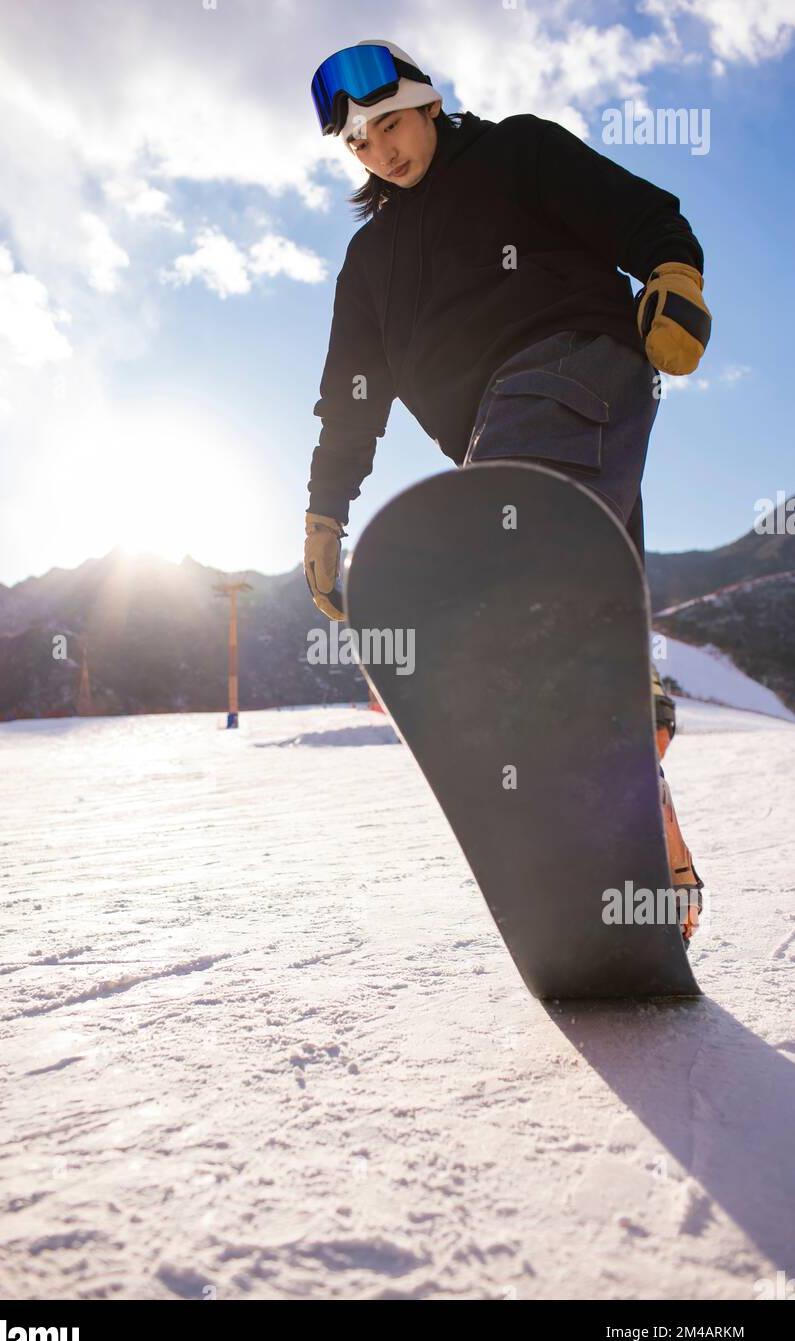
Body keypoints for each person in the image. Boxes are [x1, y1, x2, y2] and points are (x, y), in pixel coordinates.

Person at [303, 39, 708, 943]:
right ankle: (643, 843)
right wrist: (327, 506)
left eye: (393, 125)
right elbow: (351, 397)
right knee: (592, 606)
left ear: (429, 103)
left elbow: (640, 213)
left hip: (575, 367)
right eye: (360, 144)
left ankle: (563, 686)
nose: (383, 152)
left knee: (503, 571)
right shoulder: (370, 263)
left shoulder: (516, 153)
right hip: (505, 440)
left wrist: (673, 276)